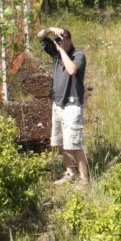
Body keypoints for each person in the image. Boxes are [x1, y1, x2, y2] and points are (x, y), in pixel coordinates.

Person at [37, 26, 88, 185]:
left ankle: (84, 180)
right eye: (58, 39)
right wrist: (51, 29)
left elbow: (72, 70)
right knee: (63, 143)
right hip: (58, 104)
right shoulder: (56, 53)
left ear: (69, 40)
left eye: (63, 38)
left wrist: (62, 50)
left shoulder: (78, 55)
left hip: (72, 105)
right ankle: (69, 173)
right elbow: (39, 36)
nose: (59, 42)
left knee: (75, 143)